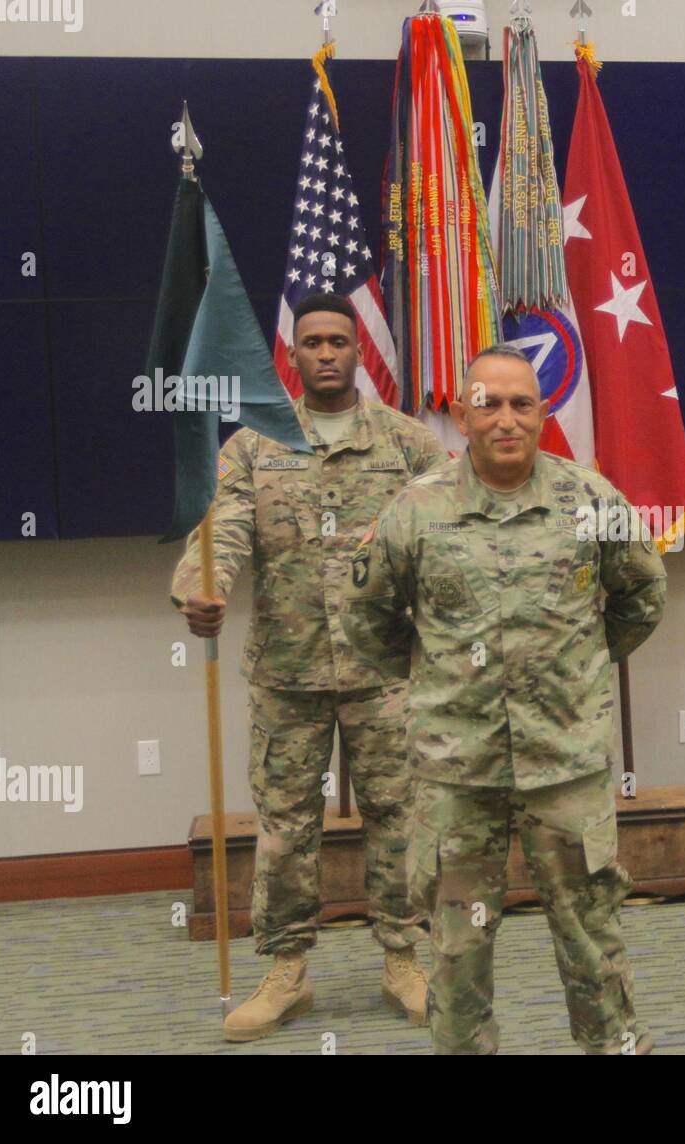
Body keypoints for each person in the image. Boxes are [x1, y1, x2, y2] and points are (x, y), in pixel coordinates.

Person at [343, 343, 667, 1055]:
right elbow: (366, 618)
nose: (506, 420)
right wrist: (439, 679)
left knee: (592, 942)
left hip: (565, 763)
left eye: (522, 403)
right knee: (457, 951)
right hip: (456, 772)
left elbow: (643, 594)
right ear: (461, 414)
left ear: (543, 411)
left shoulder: (590, 501)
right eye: (487, 404)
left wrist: (577, 668)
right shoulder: (415, 510)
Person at [171, 293, 446, 1042]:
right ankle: (287, 970)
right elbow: (222, 528)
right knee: (287, 827)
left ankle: (403, 956)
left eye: (339, 342)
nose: (326, 353)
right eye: (313, 342)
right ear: (290, 353)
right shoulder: (252, 445)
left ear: (360, 352)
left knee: (400, 816)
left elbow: (447, 538)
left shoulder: (409, 445)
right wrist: (203, 588)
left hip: (387, 668)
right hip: (288, 672)